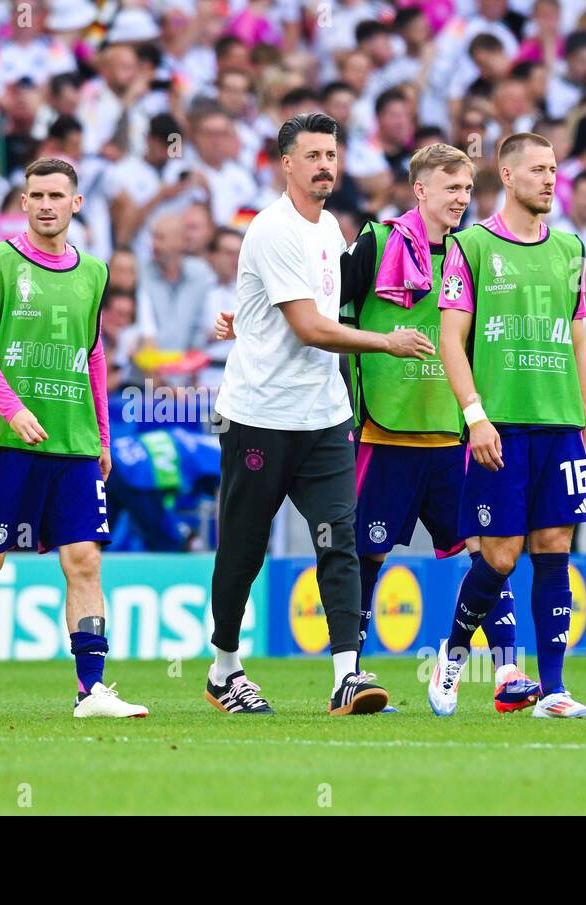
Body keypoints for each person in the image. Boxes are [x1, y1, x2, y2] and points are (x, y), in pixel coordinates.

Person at [207, 113, 432, 716]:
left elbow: (292, 305)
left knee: (340, 540)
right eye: (311, 156)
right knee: (244, 550)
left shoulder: (330, 227)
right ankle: (224, 668)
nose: (325, 165)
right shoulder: (274, 228)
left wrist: (240, 320)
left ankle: (346, 676)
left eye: (330, 154)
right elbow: (308, 328)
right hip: (259, 417)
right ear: (286, 165)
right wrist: (389, 342)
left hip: (324, 418)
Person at [0, 156, 147, 720]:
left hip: (74, 444)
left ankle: (91, 690)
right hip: (9, 442)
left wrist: (104, 438)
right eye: (36, 195)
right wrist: (12, 409)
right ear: (23, 202)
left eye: (56, 196)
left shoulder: (93, 271)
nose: (45, 205)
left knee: (85, 561)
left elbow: (92, 353)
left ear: (76, 204)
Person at [340, 142, 540, 716]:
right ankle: (349, 675)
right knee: (366, 557)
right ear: (420, 189)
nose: (461, 199)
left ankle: (506, 673)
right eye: (451, 188)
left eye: (468, 190)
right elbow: (325, 315)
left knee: (490, 549)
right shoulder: (376, 244)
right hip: (387, 431)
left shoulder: (472, 251)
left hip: (454, 435)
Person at [435, 131, 586, 719]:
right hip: (500, 425)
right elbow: (450, 338)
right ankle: (453, 655)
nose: (550, 179)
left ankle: (552, 690)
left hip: (559, 426)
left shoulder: (570, 249)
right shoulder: (474, 246)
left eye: (555, 168)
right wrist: (474, 415)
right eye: (537, 170)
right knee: (501, 556)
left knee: (555, 548)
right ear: (507, 177)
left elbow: (579, 342)